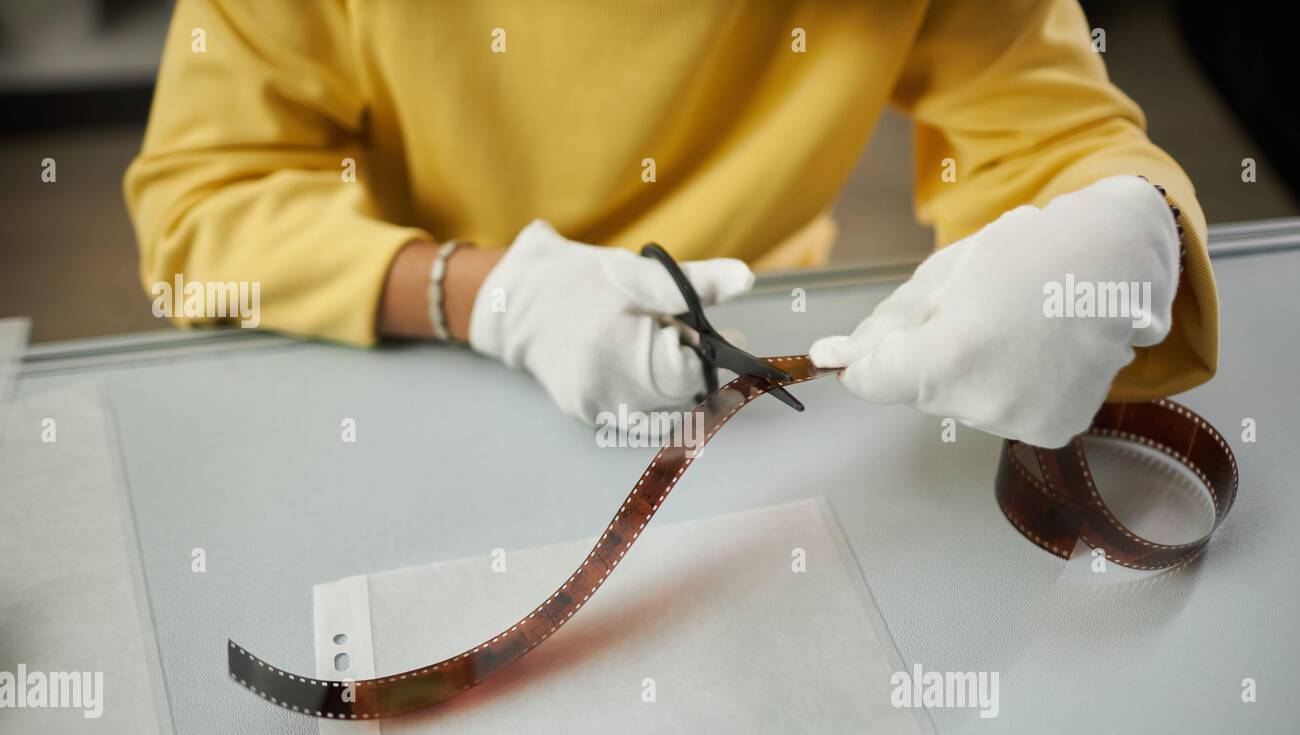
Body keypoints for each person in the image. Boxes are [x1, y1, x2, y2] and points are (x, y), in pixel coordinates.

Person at [126, 0, 1214, 449]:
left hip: (763, 396)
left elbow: (1056, 135)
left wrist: (1122, 228)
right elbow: (201, 213)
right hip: (417, 372)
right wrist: (489, 295)